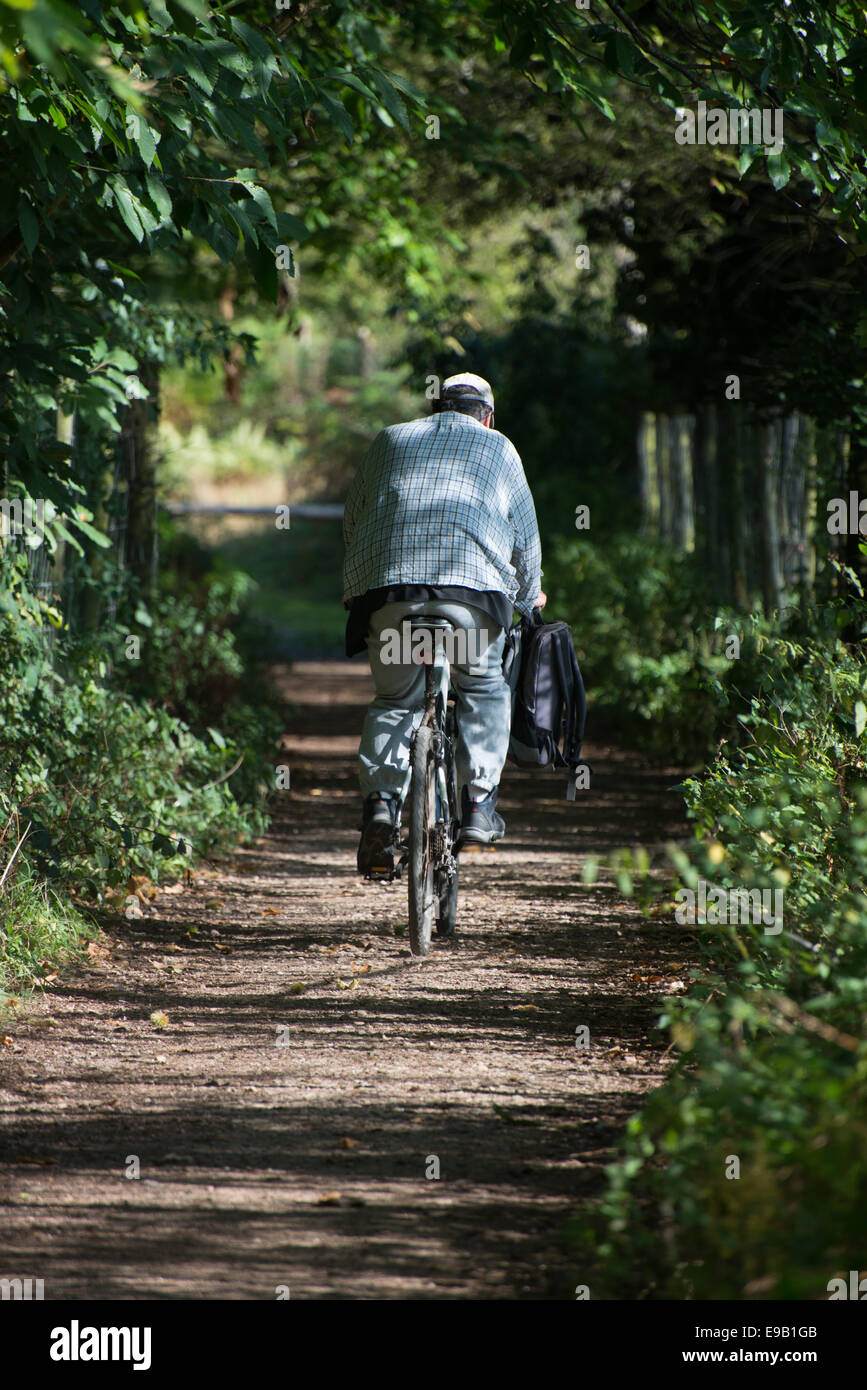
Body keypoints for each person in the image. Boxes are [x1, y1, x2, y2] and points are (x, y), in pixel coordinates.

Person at [342, 372, 545, 875]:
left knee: (395, 700)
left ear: (435, 408)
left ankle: (382, 810)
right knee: (483, 687)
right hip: (471, 603)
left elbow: (354, 521)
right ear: (488, 415)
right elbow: (526, 538)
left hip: (392, 598)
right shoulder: (499, 448)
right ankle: (477, 809)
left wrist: (365, 579)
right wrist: (528, 598)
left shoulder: (391, 438)